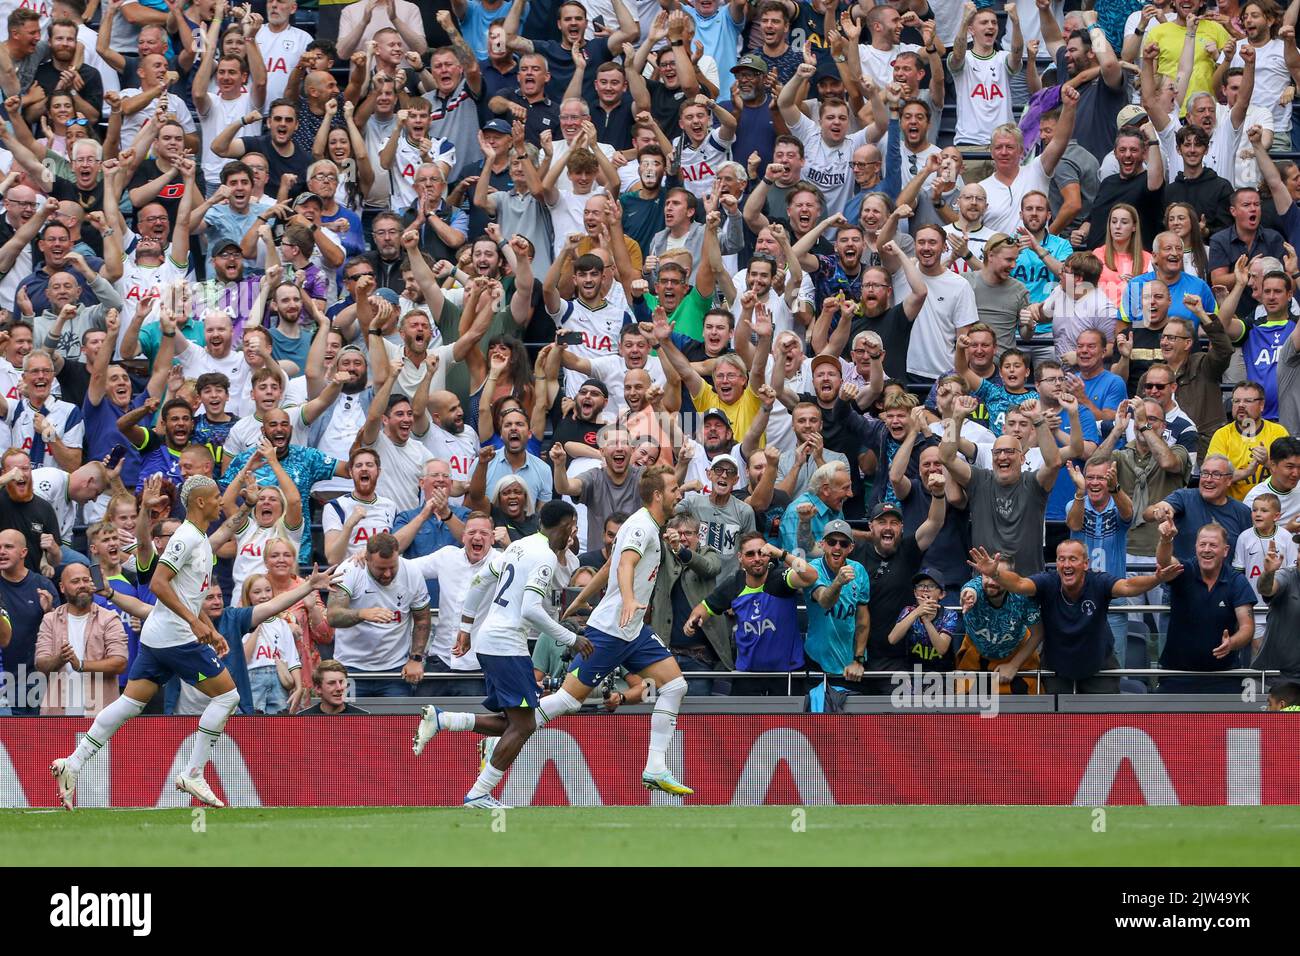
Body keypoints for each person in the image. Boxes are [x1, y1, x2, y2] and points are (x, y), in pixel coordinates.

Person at [50, 476, 240, 810]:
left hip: (158, 636)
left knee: (129, 704)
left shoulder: (199, 538)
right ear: (199, 502)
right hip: (176, 638)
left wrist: (207, 624)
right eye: (215, 496)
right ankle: (193, 772)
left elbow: (186, 594)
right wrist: (195, 622)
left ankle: (73, 762)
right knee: (227, 696)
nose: (219, 500)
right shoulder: (184, 537)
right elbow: (159, 582)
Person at [411, 500, 591, 809]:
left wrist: (466, 628)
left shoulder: (519, 547)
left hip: (491, 641)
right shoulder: (545, 555)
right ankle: (478, 794)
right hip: (507, 645)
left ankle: (443, 720)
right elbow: (531, 609)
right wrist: (570, 638)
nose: (571, 537)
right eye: (572, 529)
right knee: (524, 726)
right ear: (563, 526)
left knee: (515, 721)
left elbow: (480, 580)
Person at [968, 541, 1181, 693]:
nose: (1067, 564)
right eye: (1061, 559)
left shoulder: (1098, 581)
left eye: (1073, 559)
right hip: (1057, 668)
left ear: (1085, 564)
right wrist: (995, 574)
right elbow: (1020, 584)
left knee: (1102, 727)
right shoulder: (1048, 581)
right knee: (1059, 732)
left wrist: (1156, 578)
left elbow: (1127, 586)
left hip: (1098, 666)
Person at [324, 532, 432, 698]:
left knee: (398, 723)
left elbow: (422, 619)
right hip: (350, 667)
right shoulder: (350, 569)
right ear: (366, 559)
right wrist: (362, 614)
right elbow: (333, 616)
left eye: (392, 567)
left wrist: (416, 658)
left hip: (395, 669)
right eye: (381, 568)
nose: (387, 574)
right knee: (349, 723)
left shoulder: (411, 572)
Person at [1155, 518, 1256, 693]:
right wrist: (1165, 540)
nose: (1207, 550)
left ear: (1225, 551)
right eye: (1202, 544)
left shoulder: (1236, 581)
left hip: (1224, 676)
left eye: (1213, 545)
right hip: (1177, 674)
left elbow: (1247, 627)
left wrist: (1232, 643)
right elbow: (1164, 563)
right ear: (1195, 547)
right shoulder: (1184, 571)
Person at [33, 562, 127, 716]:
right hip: (58, 715)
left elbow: (120, 663)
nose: (82, 585)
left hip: (101, 715)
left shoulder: (109, 618)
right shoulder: (50, 620)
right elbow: (41, 664)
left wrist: (81, 665)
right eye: (75, 581)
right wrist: (60, 658)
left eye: (86, 580)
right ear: (62, 588)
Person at [955, 555, 1044, 694]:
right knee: (964, 703)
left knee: (1026, 704)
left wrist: (1013, 665)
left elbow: (1038, 633)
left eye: (996, 576)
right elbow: (969, 591)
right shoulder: (975, 586)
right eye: (987, 575)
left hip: (1017, 653)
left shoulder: (1023, 597)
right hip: (977, 654)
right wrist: (966, 597)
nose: (991, 581)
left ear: (1010, 577)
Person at [803, 519, 870, 685]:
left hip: (850, 666)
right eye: (832, 542)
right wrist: (838, 582)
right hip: (816, 661)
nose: (837, 547)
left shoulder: (859, 571)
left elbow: (862, 620)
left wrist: (858, 659)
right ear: (822, 545)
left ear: (851, 548)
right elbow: (825, 601)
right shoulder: (813, 570)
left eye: (844, 543)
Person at [1207, 381, 1290, 501]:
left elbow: (1291, 474)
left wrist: (1267, 462)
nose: (1241, 405)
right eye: (1236, 401)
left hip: (1272, 509)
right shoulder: (1222, 435)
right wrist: (1247, 472)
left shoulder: (1278, 432)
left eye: (1247, 401)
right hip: (1233, 508)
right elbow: (1214, 477)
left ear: (1261, 405)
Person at [298, 659, 370, 715]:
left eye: (341, 682)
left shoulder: (363, 718)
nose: (339, 688)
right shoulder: (303, 719)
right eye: (331, 683)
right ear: (318, 688)